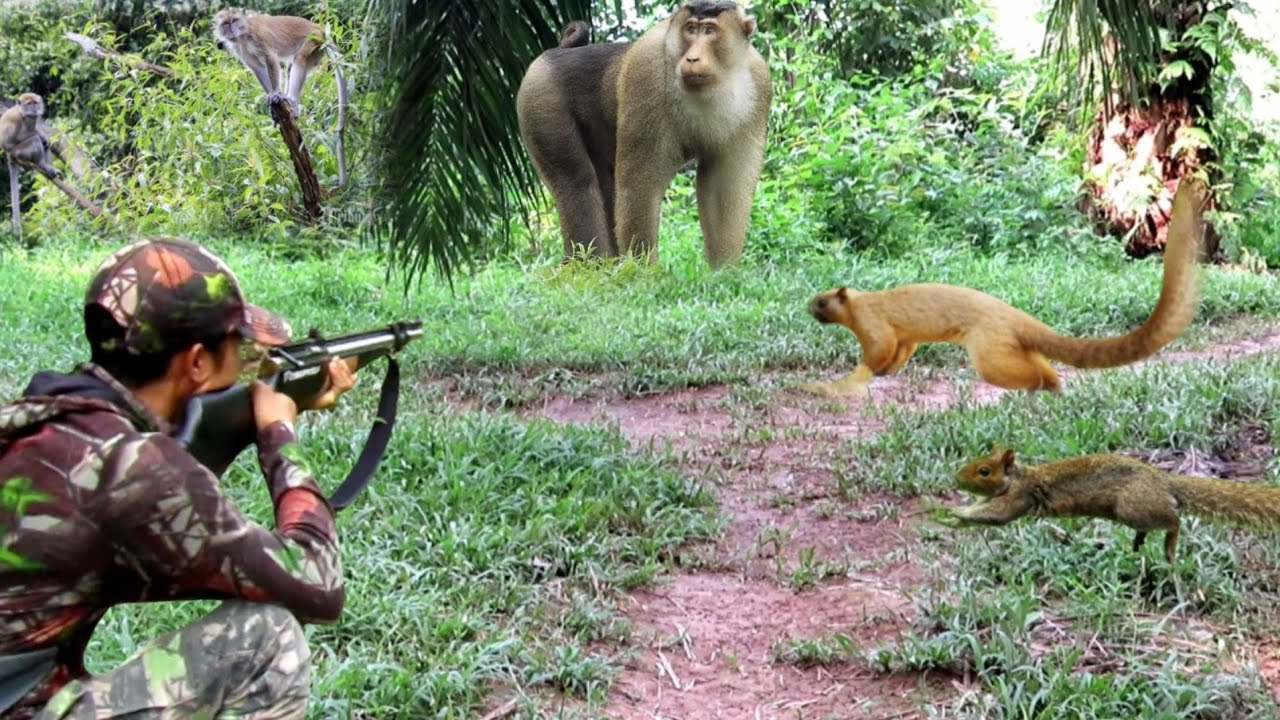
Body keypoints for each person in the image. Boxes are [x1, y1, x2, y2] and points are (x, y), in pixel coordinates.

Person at [0, 236, 356, 719]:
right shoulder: (134, 470)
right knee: (262, 640)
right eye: (240, 349)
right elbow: (319, 585)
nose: (247, 365)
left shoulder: (42, 423)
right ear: (196, 363)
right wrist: (278, 431)